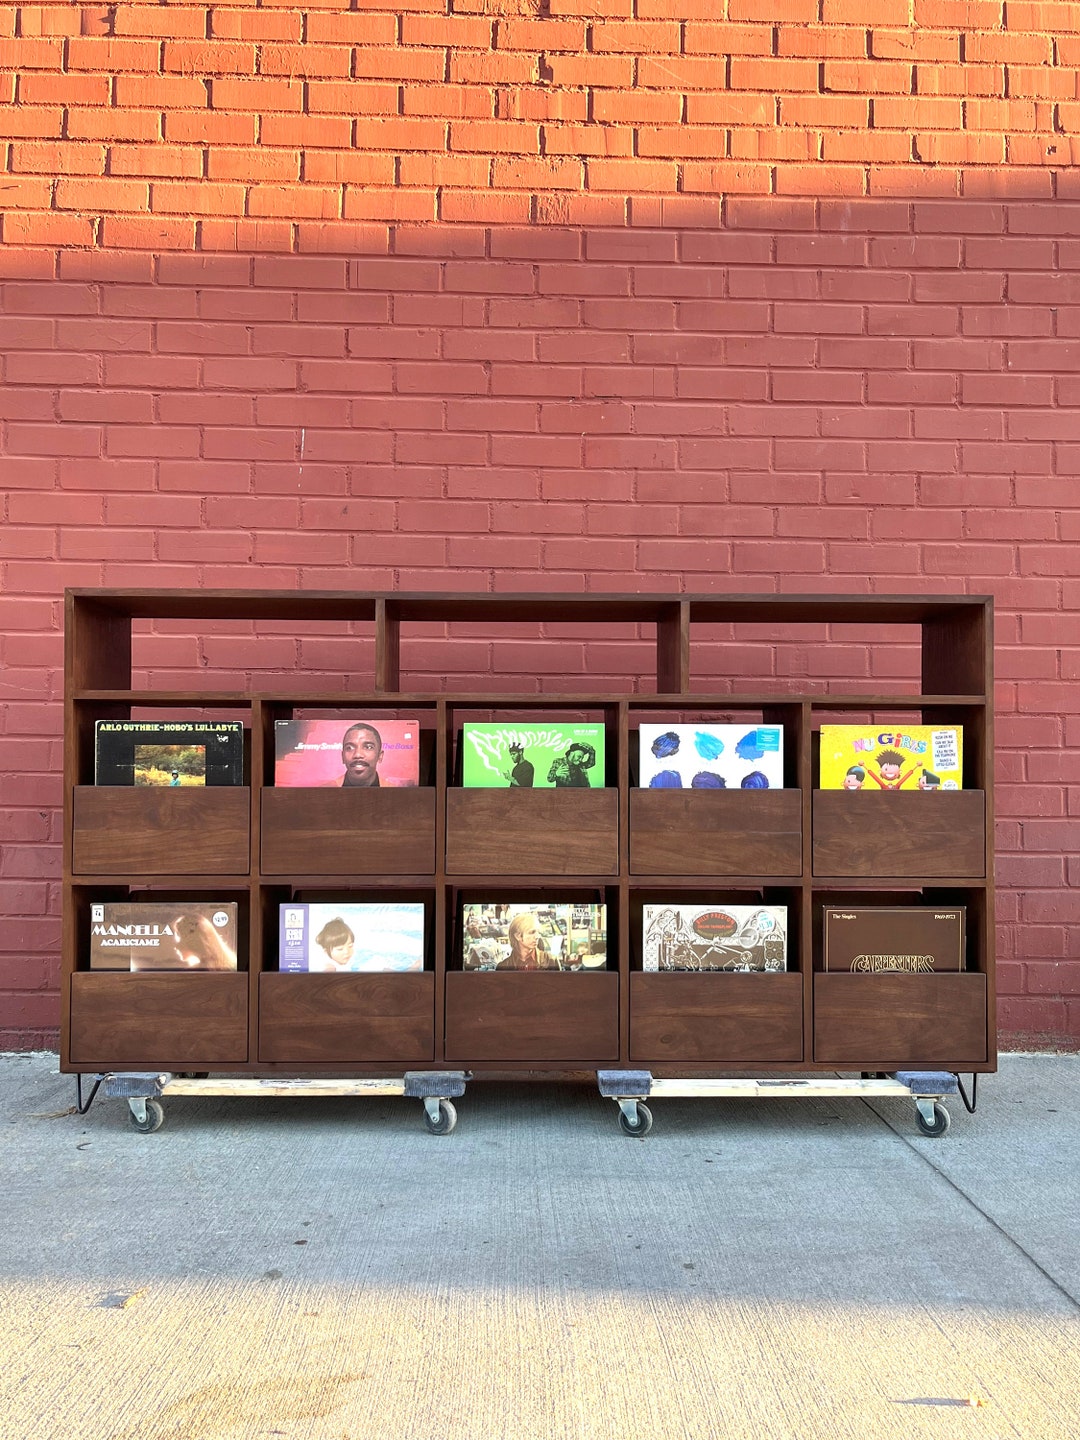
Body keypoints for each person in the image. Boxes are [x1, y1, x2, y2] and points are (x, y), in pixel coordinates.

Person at [340, 723, 383, 787]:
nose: (358, 754)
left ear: (380, 756)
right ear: (342, 757)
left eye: (368, 747)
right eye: (349, 748)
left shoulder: (395, 792)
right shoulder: (325, 790)